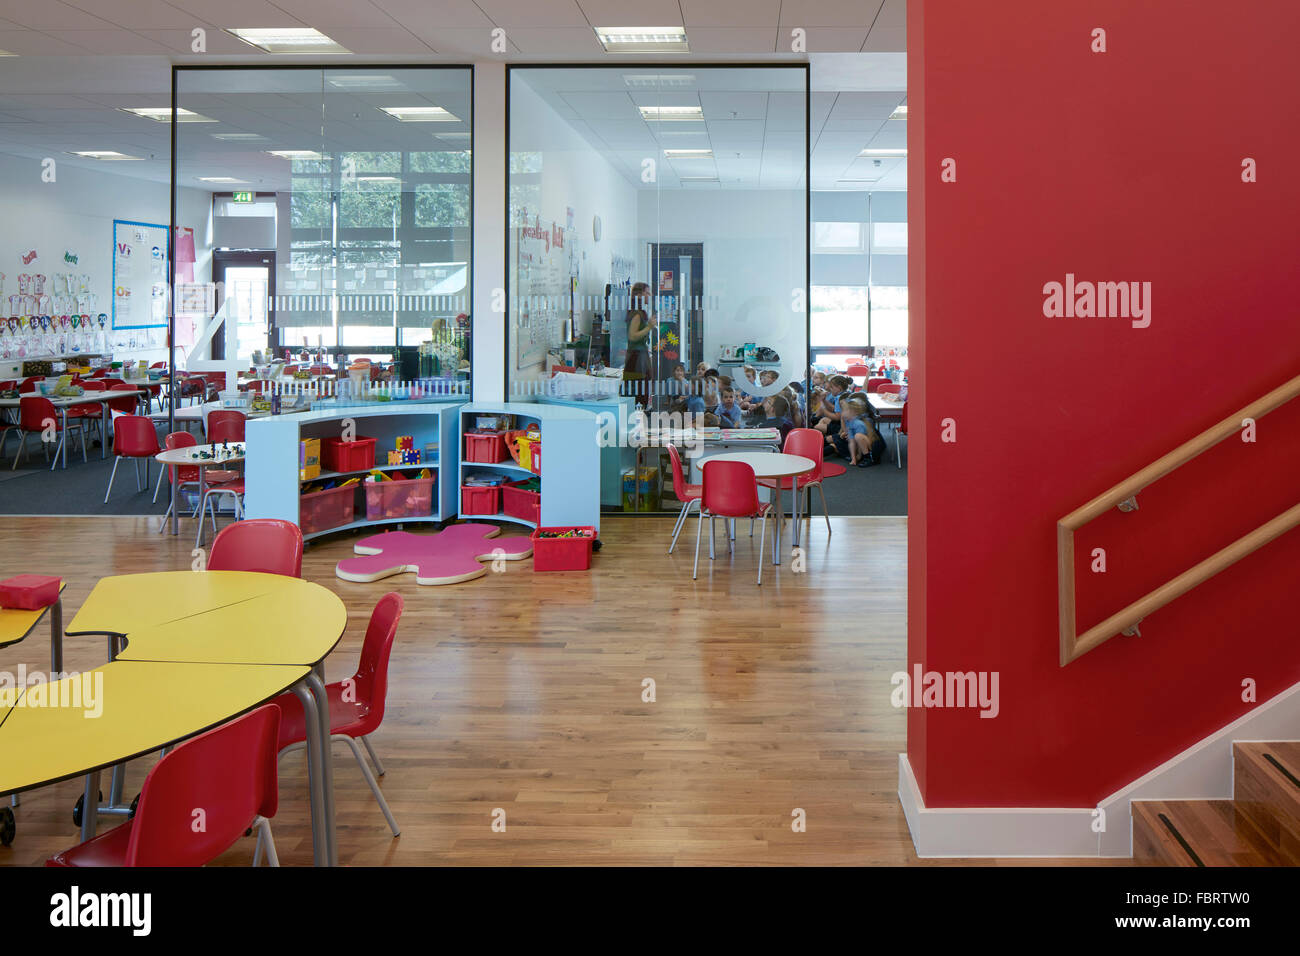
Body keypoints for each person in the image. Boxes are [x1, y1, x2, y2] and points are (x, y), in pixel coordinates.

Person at [622, 281, 654, 408]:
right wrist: (649, 327)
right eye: (647, 292)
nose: (649, 295)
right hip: (636, 358)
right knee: (638, 389)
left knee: (641, 387)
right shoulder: (637, 314)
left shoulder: (640, 312)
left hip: (639, 355)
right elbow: (632, 335)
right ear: (639, 295)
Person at [832, 395, 887, 467]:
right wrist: (853, 458)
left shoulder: (858, 423)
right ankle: (863, 457)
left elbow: (859, 441)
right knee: (850, 438)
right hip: (863, 444)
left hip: (873, 447)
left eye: (844, 410)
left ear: (853, 412)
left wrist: (859, 456)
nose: (842, 413)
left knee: (858, 436)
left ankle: (868, 458)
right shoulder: (850, 421)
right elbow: (851, 442)